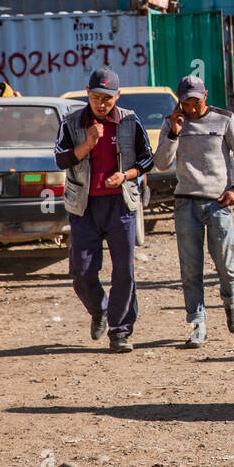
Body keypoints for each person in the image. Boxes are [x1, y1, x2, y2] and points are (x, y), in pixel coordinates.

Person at [53, 68, 155, 353]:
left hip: (120, 205)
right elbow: (60, 159)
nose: (102, 104)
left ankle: (120, 331)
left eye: (108, 99)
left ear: (117, 96)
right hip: (84, 207)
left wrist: (125, 175)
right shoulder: (72, 122)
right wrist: (88, 143)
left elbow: (147, 160)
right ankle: (99, 310)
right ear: (88, 93)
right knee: (82, 271)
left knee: (124, 271)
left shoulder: (129, 121)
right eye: (97, 97)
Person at [155, 75, 234, 348]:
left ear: (206, 96)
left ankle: (231, 301)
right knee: (190, 268)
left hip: (218, 203)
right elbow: (162, 163)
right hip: (186, 203)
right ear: (180, 102)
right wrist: (174, 132)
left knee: (225, 262)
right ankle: (198, 323)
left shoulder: (224, 119)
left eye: (197, 102)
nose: (193, 108)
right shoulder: (171, 123)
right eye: (187, 103)